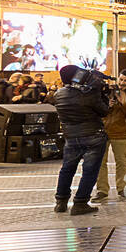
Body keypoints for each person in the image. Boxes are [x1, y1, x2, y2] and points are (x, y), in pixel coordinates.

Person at [52, 65, 111, 215]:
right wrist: (100, 93)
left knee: (67, 169)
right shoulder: (88, 93)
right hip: (93, 136)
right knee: (90, 171)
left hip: (71, 137)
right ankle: (80, 203)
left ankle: (61, 202)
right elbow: (104, 111)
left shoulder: (59, 94)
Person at [93, 69, 126, 201]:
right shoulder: (107, 91)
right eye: (121, 79)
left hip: (121, 132)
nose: (122, 83)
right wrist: (106, 105)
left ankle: (122, 188)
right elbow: (95, 109)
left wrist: (124, 103)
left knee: (121, 162)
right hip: (102, 131)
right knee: (100, 162)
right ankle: (102, 190)